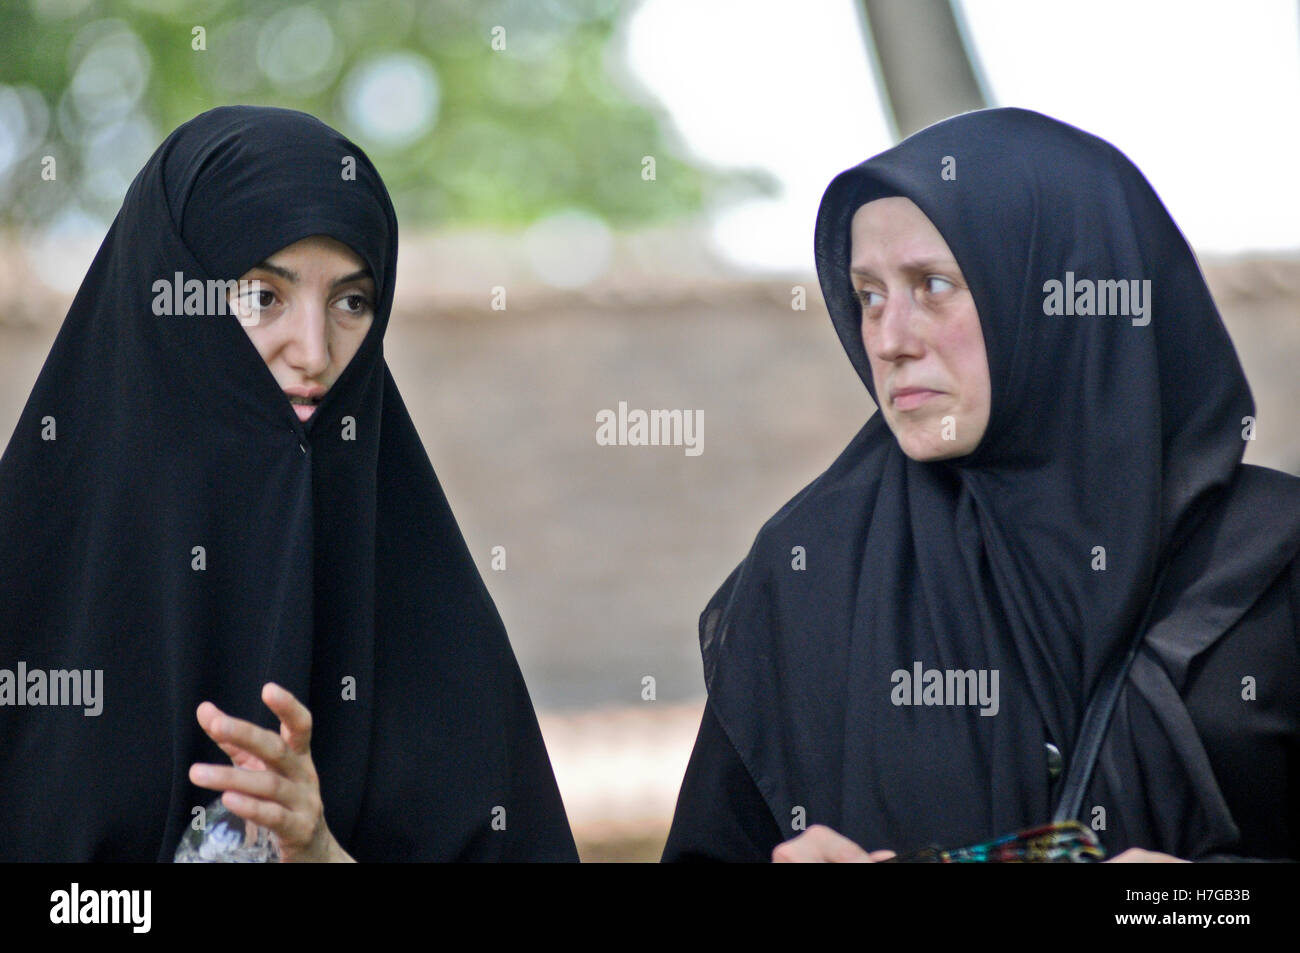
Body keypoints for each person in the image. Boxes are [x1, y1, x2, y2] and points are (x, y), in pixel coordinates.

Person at [661, 107, 1300, 863]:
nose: (889, 338)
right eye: (867, 294)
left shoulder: (1274, 567)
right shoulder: (812, 574)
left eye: (933, 284)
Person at [0, 105, 578, 862]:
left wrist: (321, 854)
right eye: (262, 296)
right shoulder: (25, 590)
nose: (313, 350)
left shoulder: (432, 622)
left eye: (351, 301)